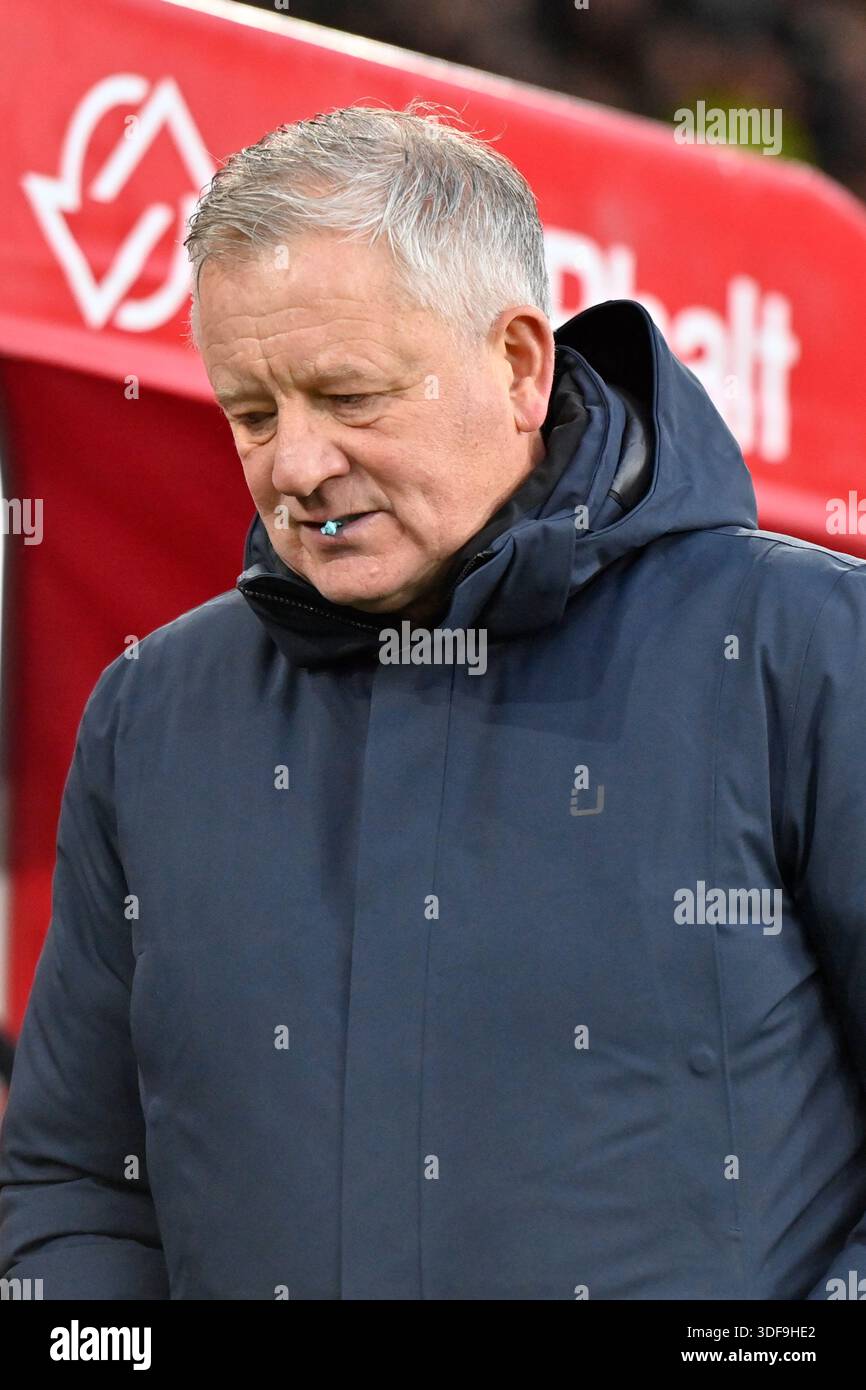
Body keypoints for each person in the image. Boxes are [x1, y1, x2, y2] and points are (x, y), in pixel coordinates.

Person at [1, 101, 865, 1301]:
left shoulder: (808, 649)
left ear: (516, 364)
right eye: (252, 412)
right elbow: (73, 1181)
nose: (294, 467)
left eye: (348, 398)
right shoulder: (153, 711)